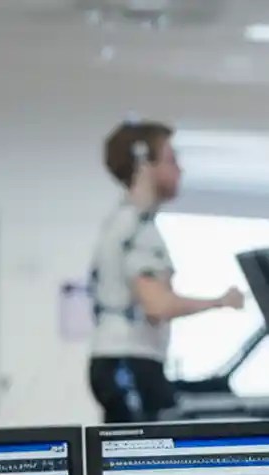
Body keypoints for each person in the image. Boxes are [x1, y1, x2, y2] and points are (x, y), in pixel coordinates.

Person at [89, 120, 245, 422]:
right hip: (131, 361)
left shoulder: (120, 223)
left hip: (120, 361)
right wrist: (220, 302)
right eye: (172, 159)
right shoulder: (139, 229)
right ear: (144, 164)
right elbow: (157, 305)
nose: (181, 170)